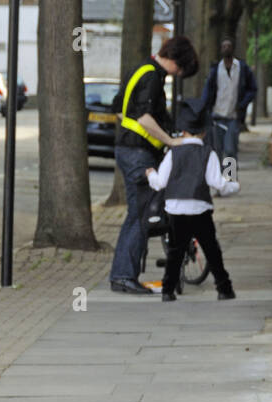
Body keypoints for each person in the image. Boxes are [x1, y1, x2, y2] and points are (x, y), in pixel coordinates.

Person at [109, 36, 199, 296]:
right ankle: (124, 276)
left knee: (138, 214)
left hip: (131, 150)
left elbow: (120, 109)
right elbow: (145, 117)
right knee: (141, 216)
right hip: (138, 153)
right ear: (175, 60)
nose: (178, 74)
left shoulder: (141, 70)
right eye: (180, 69)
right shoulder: (151, 77)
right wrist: (170, 140)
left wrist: (172, 131)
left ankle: (123, 274)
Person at [147, 96, 239, 301]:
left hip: (176, 210)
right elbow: (218, 183)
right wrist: (234, 185)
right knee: (212, 251)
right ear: (204, 132)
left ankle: (168, 291)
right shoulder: (208, 153)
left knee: (175, 253)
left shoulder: (173, 152)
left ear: (182, 130)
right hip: (200, 210)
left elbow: (160, 182)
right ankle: (224, 289)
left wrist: (150, 174)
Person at [201, 37, 257, 176]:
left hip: (233, 116)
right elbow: (208, 91)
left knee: (230, 149)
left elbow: (253, 89)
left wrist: (242, 104)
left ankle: (230, 179)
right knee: (217, 150)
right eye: (224, 46)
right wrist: (204, 109)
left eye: (229, 46)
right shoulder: (215, 69)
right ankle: (220, 181)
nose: (226, 48)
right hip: (217, 115)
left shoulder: (242, 68)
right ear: (221, 50)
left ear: (233, 49)